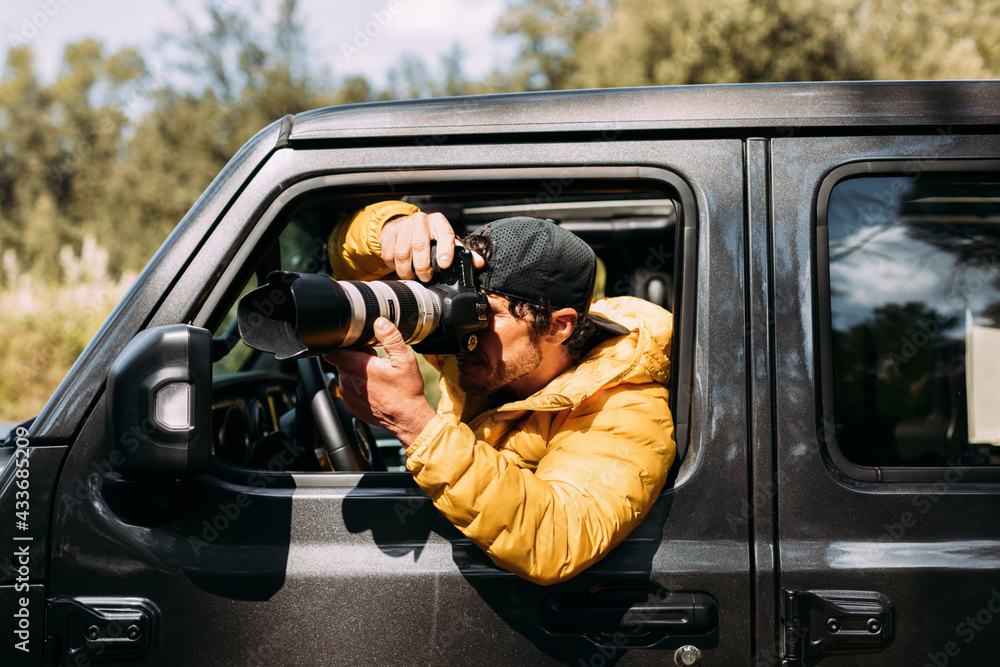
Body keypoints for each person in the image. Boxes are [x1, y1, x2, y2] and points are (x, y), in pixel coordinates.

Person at [324, 200, 676, 585]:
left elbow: (558, 539)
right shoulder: (487, 354)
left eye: (484, 312)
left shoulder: (624, 403)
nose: (463, 329)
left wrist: (416, 424)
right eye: (457, 303)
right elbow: (345, 274)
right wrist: (391, 230)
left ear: (559, 326)